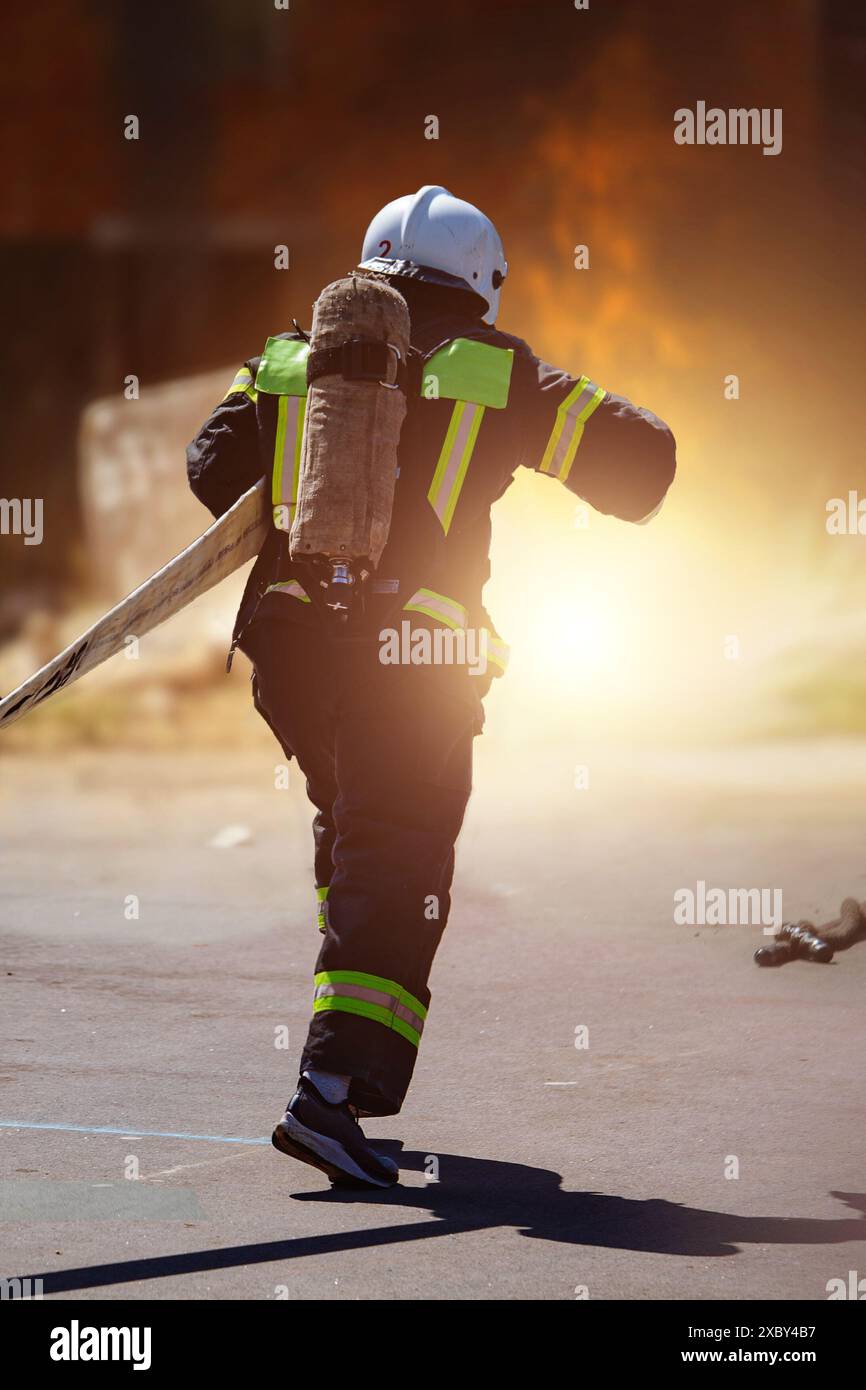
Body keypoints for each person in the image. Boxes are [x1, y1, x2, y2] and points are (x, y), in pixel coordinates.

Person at [186, 185, 676, 1188]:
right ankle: (326, 1095)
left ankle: (360, 1076)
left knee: (357, 834)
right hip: (413, 662)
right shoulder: (496, 368)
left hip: (289, 655)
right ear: (480, 282)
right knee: (399, 854)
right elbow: (640, 469)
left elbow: (207, 469)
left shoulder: (293, 354)